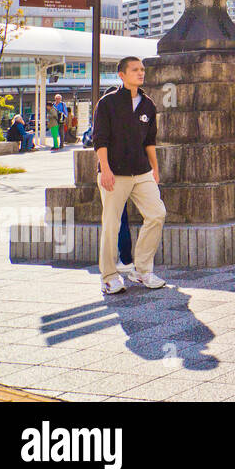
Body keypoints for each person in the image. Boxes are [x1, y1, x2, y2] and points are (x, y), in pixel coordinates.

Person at [95, 57, 166, 295]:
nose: (140, 73)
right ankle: (109, 276)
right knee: (111, 225)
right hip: (114, 173)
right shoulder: (108, 103)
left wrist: (155, 169)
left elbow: (150, 142)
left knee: (157, 214)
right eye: (135, 70)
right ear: (121, 75)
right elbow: (100, 140)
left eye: (142, 70)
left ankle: (142, 270)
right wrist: (105, 169)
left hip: (142, 172)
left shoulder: (148, 105)